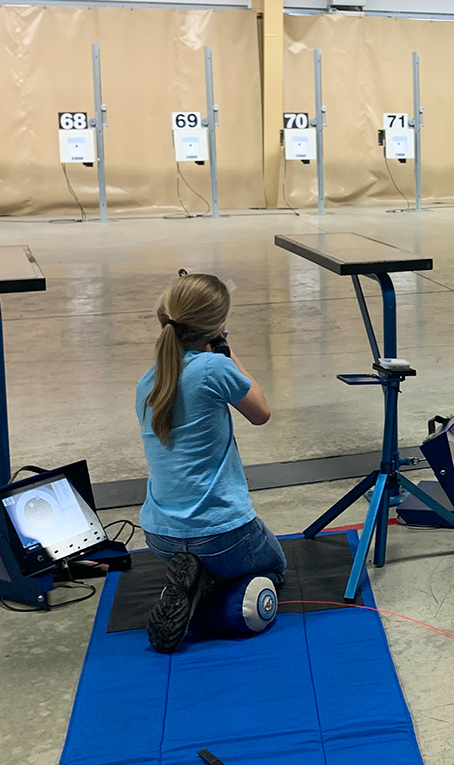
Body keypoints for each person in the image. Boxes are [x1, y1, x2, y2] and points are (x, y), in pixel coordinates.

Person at [136, 272, 286, 653]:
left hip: (159, 535)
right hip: (221, 534)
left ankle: (189, 582)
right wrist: (226, 348)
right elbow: (261, 411)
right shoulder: (214, 368)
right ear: (215, 326)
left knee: (212, 561)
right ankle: (203, 608)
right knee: (276, 569)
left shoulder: (147, 383)